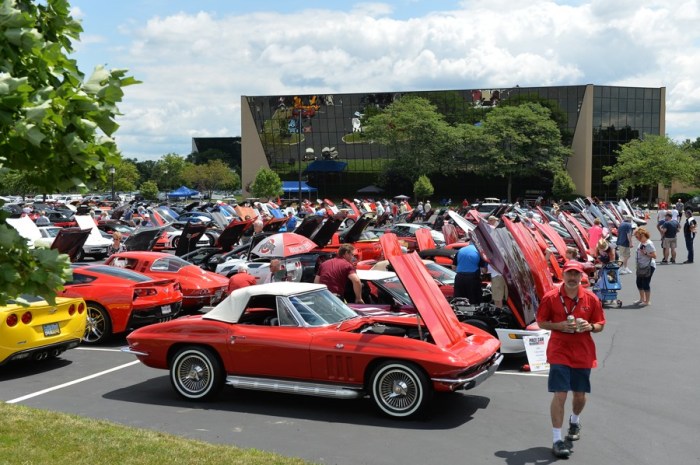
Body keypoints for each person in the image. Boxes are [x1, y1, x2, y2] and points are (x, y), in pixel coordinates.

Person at [536, 260, 606, 459]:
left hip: (583, 352)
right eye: (569, 274)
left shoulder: (591, 299)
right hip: (559, 351)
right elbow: (541, 321)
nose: (573, 278)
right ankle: (557, 439)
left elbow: (600, 324)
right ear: (563, 275)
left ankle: (574, 420)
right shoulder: (551, 297)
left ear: (581, 276)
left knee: (579, 395)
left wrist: (590, 327)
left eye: (576, 274)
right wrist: (559, 326)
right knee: (560, 394)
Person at [452, 239, 487, 305]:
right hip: (472, 278)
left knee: (459, 300)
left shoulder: (461, 250)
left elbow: (453, 267)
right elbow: (484, 270)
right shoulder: (479, 252)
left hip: (459, 278)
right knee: (473, 301)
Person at [634, 227, 656, 306]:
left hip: (648, 266)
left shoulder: (649, 243)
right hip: (641, 265)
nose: (637, 238)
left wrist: (645, 253)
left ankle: (647, 301)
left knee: (645, 283)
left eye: (637, 237)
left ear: (642, 235)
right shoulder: (641, 243)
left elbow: (654, 256)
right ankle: (641, 299)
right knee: (639, 282)